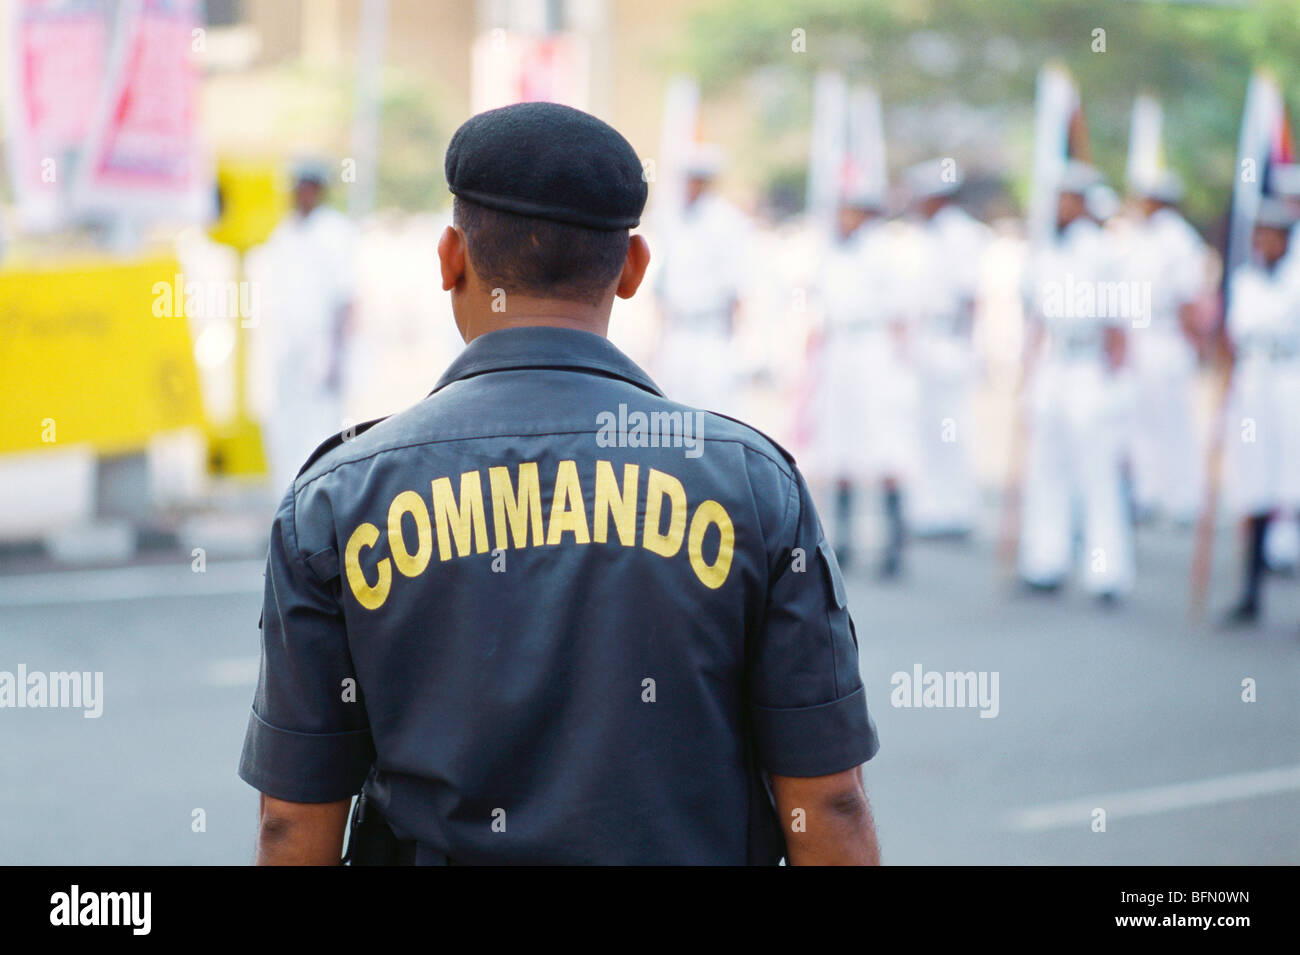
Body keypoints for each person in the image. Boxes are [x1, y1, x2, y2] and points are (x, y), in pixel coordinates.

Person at [237, 102, 881, 866]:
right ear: (635, 268)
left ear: (450, 258)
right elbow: (827, 800)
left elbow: (294, 820)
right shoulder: (751, 482)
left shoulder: (339, 496)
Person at [1017, 161, 1135, 602]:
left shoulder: (1104, 252)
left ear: (1083, 202)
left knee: (1097, 471)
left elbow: (1118, 326)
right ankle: (1045, 560)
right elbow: (1035, 319)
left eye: (1067, 198)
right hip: (1054, 364)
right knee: (1046, 465)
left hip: (1089, 364)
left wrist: (1115, 382)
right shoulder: (1047, 251)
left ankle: (1106, 571)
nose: (1059, 206)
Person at [809, 186, 916, 575]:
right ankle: (844, 540)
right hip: (841, 347)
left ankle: (893, 542)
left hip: (875, 347)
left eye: (851, 209)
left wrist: (900, 368)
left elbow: (901, 314)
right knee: (838, 444)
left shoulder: (883, 250)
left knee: (884, 443)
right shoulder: (835, 250)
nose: (844, 216)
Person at [1220, 199, 1300, 626]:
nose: (1263, 241)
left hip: (1291, 382)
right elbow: (1233, 340)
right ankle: (1250, 594)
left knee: (1295, 485)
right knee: (1254, 488)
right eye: (1259, 233)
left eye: (1272, 233)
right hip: (1254, 385)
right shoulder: (1246, 280)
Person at [905, 158, 990, 537]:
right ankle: (933, 507)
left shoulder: (960, 234)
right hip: (928, 338)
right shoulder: (930, 234)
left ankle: (956, 508)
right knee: (929, 428)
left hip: (949, 340)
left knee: (950, 428)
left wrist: (967, 345)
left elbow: (969, 296)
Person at [261, 159, 358, 496]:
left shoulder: (334, 231)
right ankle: (285, 497)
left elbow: (345, 296)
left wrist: (337, 354)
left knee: (318, 423)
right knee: (283, 421)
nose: (302, 194)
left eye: (309, 187)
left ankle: (313, 496)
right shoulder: (284, 231)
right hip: (284, 340)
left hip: (320, 343)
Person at [1123, 170, 1209, 525]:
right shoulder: (1140, 237)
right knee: (1142, 420)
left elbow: (1188, 299)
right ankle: (1148, 492)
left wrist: (1195, 344)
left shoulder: (1178, 239)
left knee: (1174, 421)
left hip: (1166, 336)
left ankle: (1183, 497)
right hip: (1140, 336)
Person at [652, 144, 753, 415]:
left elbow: (738, 285)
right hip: (677, 329)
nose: (690, 185)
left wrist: (736, 342)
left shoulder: (727, 221)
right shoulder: (670, 217)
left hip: (712, 331)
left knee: (713, 409)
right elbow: (662, 281)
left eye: (697, 178)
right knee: (671, 407)